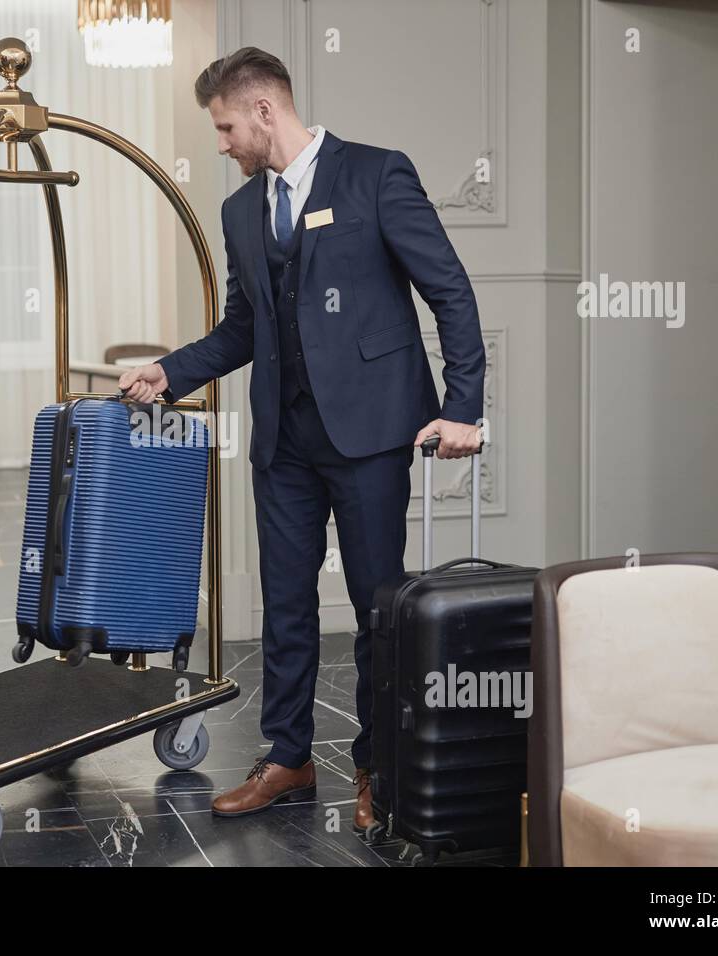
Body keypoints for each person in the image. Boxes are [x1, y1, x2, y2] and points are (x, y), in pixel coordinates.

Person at [119, 47, 485, 833]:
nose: (219, 143)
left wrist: (464, 406)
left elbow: (448, 288)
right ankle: (287, 757)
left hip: (373, 433)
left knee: (375, 608)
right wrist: (168, 371)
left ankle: (377, 769)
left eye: (223, 127)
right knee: (286, 605)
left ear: (262, 111)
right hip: (284, 440)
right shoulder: (240, 212)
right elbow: (242, 329)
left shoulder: (377, 173)